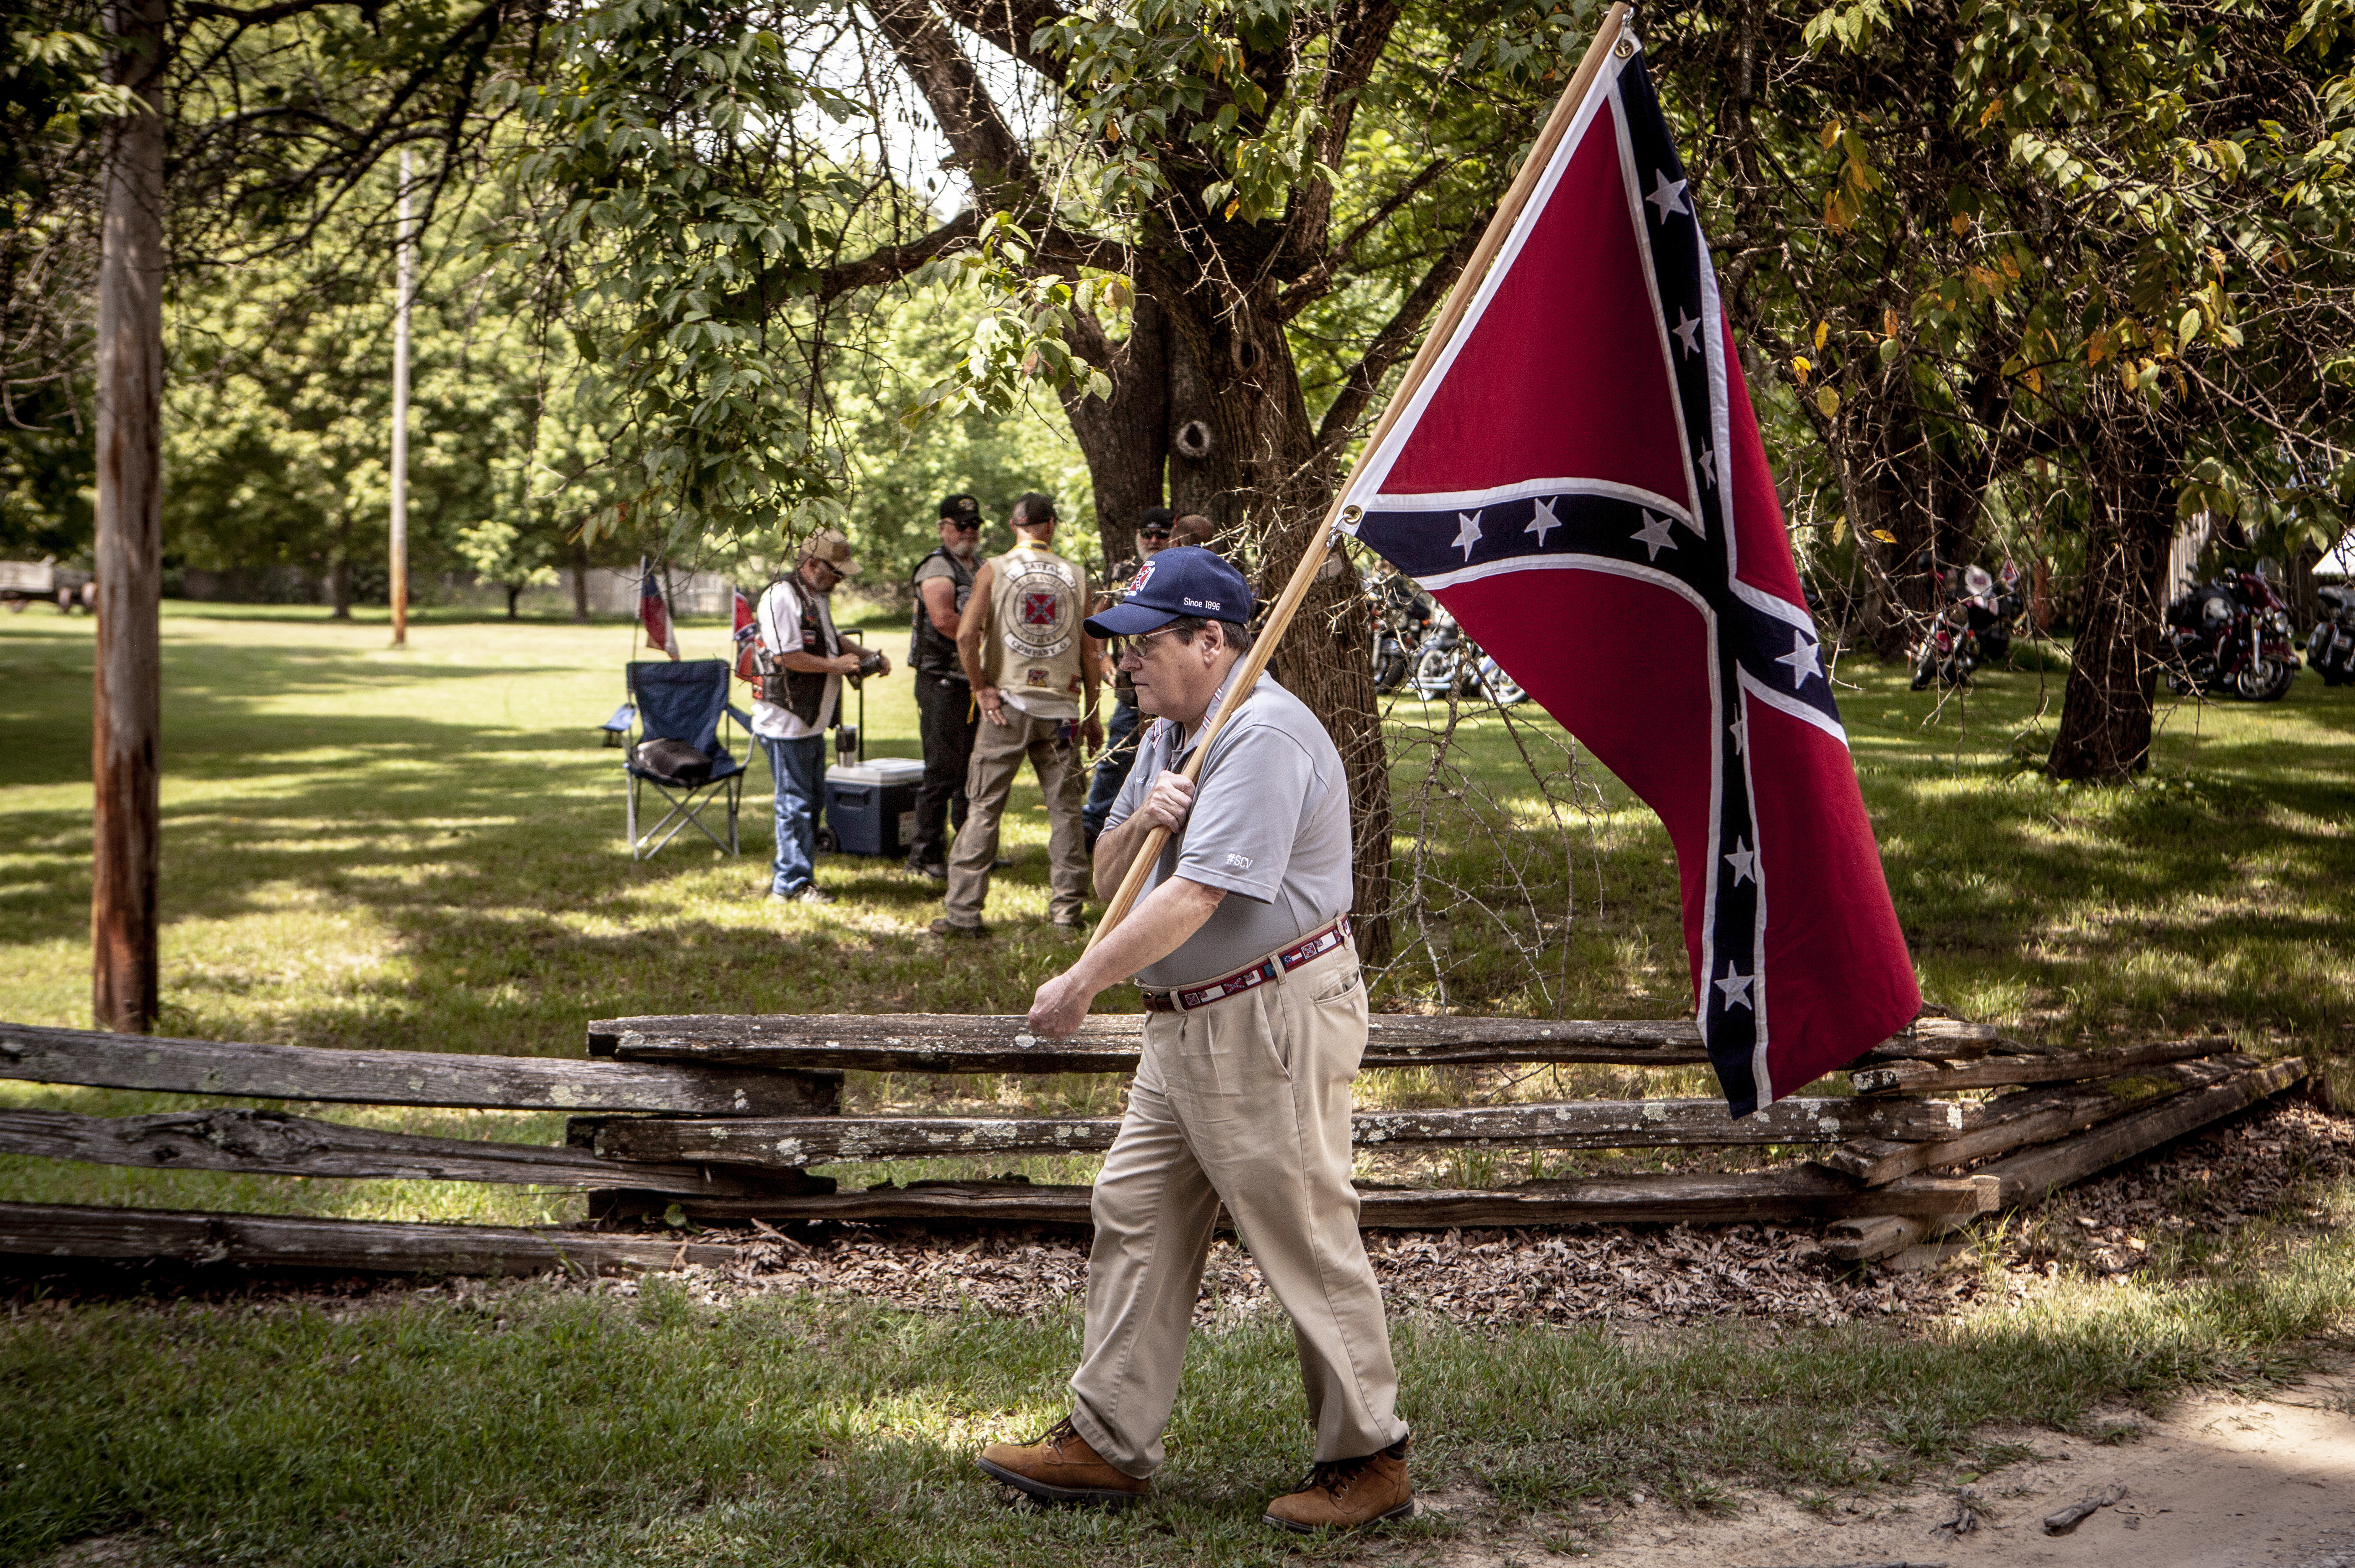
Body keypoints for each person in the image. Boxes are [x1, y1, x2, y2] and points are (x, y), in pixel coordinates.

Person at [972, 546, 1411, 1533]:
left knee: (1301, 1231)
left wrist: (1084, 980)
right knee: (1136, 1207)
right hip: (1187, 1027)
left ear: (1210, 640)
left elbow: (1200, 893)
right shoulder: (1171, 734)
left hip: (1268, 1016)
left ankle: (1370, 1456)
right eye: (1124, 646)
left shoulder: (1261, 733)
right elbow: (1112, 870)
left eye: (1147, 643)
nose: (1125, 662)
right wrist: (1146, 820)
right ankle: (1108, 1441)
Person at [932, 492, 1101, 936]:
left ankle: (963, 914)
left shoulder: (996, 568)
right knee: (1066, 812)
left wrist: (980, 689)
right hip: (1062, 708)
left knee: (984, 808)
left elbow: (966, 635)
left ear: (1014, 525)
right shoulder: (1076, 574)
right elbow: (1091, 650)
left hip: (1008, 705)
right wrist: (1093, 713)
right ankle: (1068, 914)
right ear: (1051, 526)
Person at [750, 530, 888, 906]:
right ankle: (791, 884)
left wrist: (865, 655)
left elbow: (831, 640)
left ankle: (798, 875)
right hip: (786, 720)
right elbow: (786, 656)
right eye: (835, 572)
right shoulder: (781, 597)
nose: (840, 580)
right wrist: (837, 666)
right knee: (795, 803)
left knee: (810, 799)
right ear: (812, 564)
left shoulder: (814, 595)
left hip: (809, 720)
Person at [1079, 506, 1177, 850]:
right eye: (1146, 534)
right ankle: (1092, 825)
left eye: (1161, 534)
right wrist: (1102, 655)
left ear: (1174, 533)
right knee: (1116, 754)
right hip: (1129, 684)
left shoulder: (1179, 569)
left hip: (1171, 684)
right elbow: (1101, 614)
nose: (1153, 541)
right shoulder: (1122, 571)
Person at [905, 493, 985, 878]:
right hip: (942, 680)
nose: (969, 532)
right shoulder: (937, 567)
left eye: (975, 525)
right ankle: (924, 854)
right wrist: (992, 641)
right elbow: (944, 620)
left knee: (973, 772)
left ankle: (968, 851)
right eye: (960, 525)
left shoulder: (982, 566)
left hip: (973, 681)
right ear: (943, 528)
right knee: (942, 770)